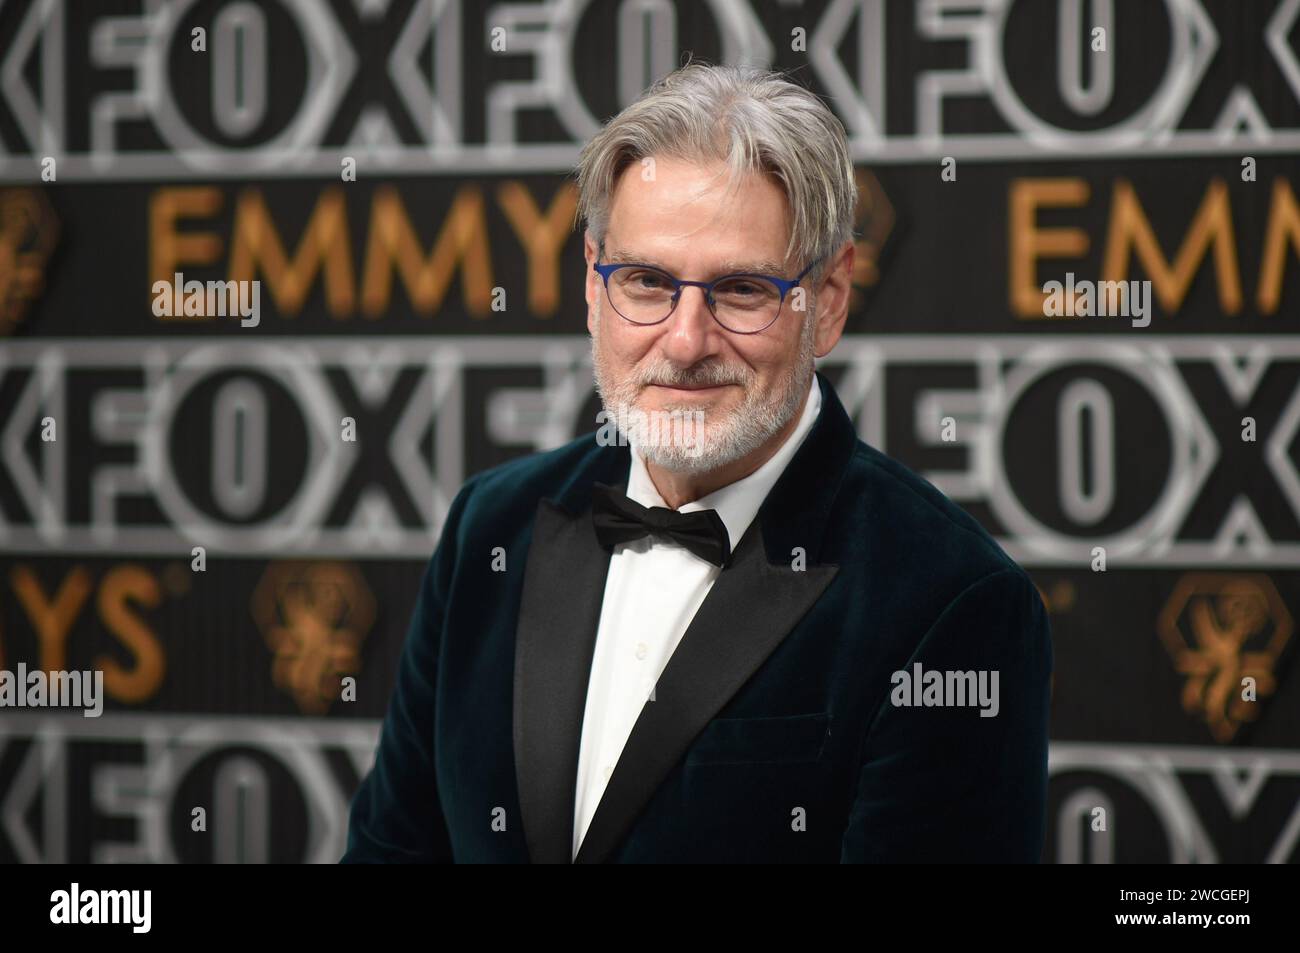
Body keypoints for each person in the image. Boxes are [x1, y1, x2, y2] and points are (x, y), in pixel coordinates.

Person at [341, 62, 1052, 864]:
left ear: (827, 300)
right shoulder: (491, 527)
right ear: (591, 282)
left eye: (742, 289)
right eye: (645, 281)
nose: (685, 342)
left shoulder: (951, 602)